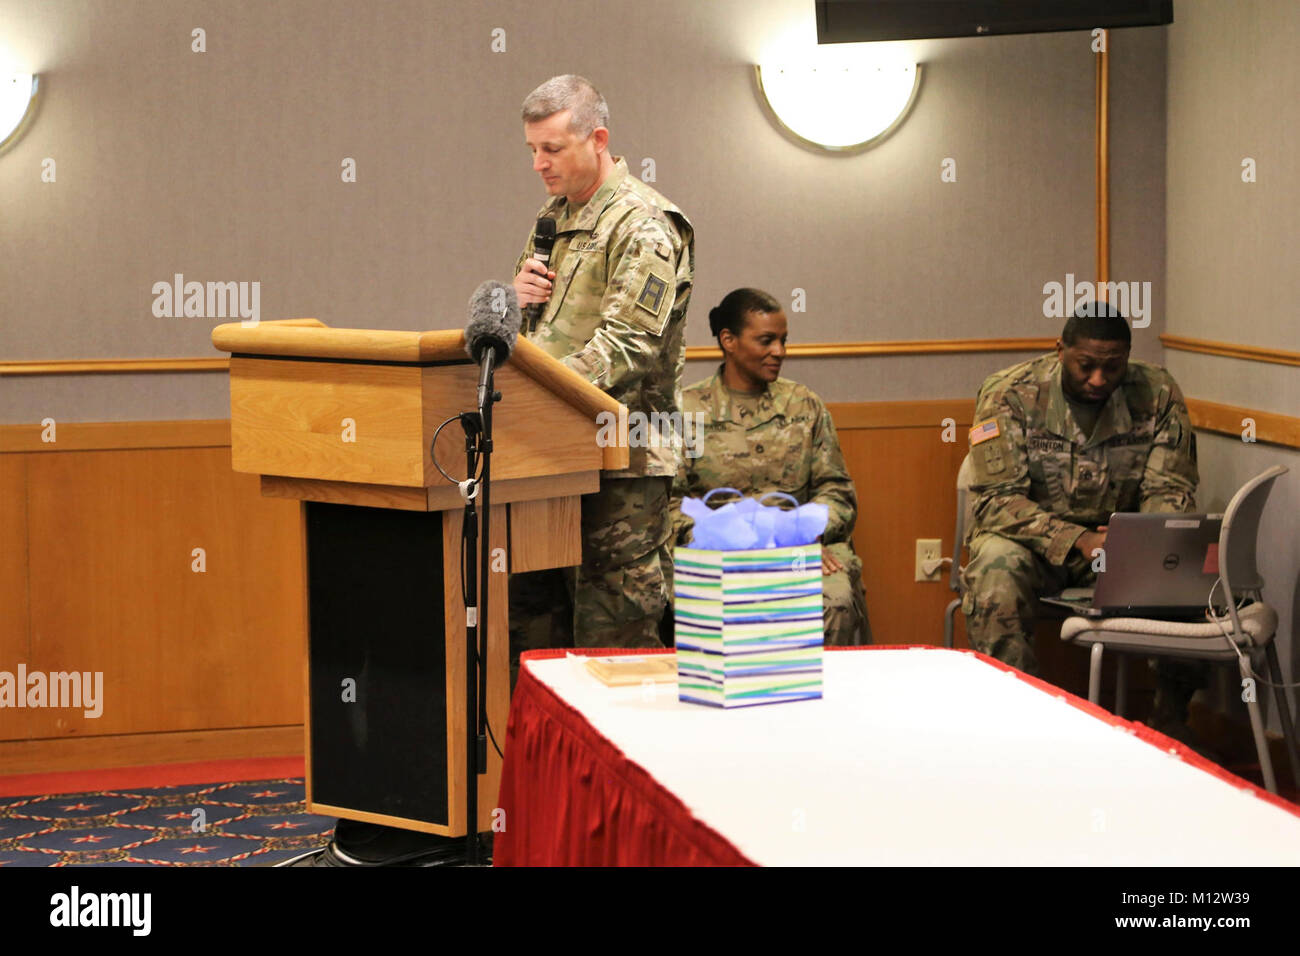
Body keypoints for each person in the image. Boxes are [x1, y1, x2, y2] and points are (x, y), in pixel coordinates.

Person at [508, 75, 694, 678]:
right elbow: (538, 337)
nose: (539, 164)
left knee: (614, 652)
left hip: (622, 468)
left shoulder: (643, 223)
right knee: (541, 645)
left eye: (552, 149)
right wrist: (515, 302)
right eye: (533, 149)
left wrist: (534, 398)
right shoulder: (554, 219)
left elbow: (628, 345)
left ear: (598, 139)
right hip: (550, 458)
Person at [962, 301, 1206, 741]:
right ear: (1061, 351)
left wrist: (1137, 540)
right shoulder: (1010, 394)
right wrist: (1077, 538)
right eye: (1086, 366)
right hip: (1033, 546)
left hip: (1119, 549)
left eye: (1112, 368)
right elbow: (996, 501)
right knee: (995, 568)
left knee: (1179, 563)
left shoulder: (1156, 393)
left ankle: (1169, 725)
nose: (1098, 379)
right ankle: (1015, 722)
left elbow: (1169, 490)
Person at [670, 288, 872, 646]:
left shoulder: (805, 405)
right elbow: (670, 504)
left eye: (783, 340)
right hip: (719, 551)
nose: (779, 351)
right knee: (710, 604)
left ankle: (813, 685)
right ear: (728, 341)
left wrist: (798, 533)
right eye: (766, 341)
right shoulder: (686, 411)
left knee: (833, 603)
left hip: (799, 548)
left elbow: (837, 492)